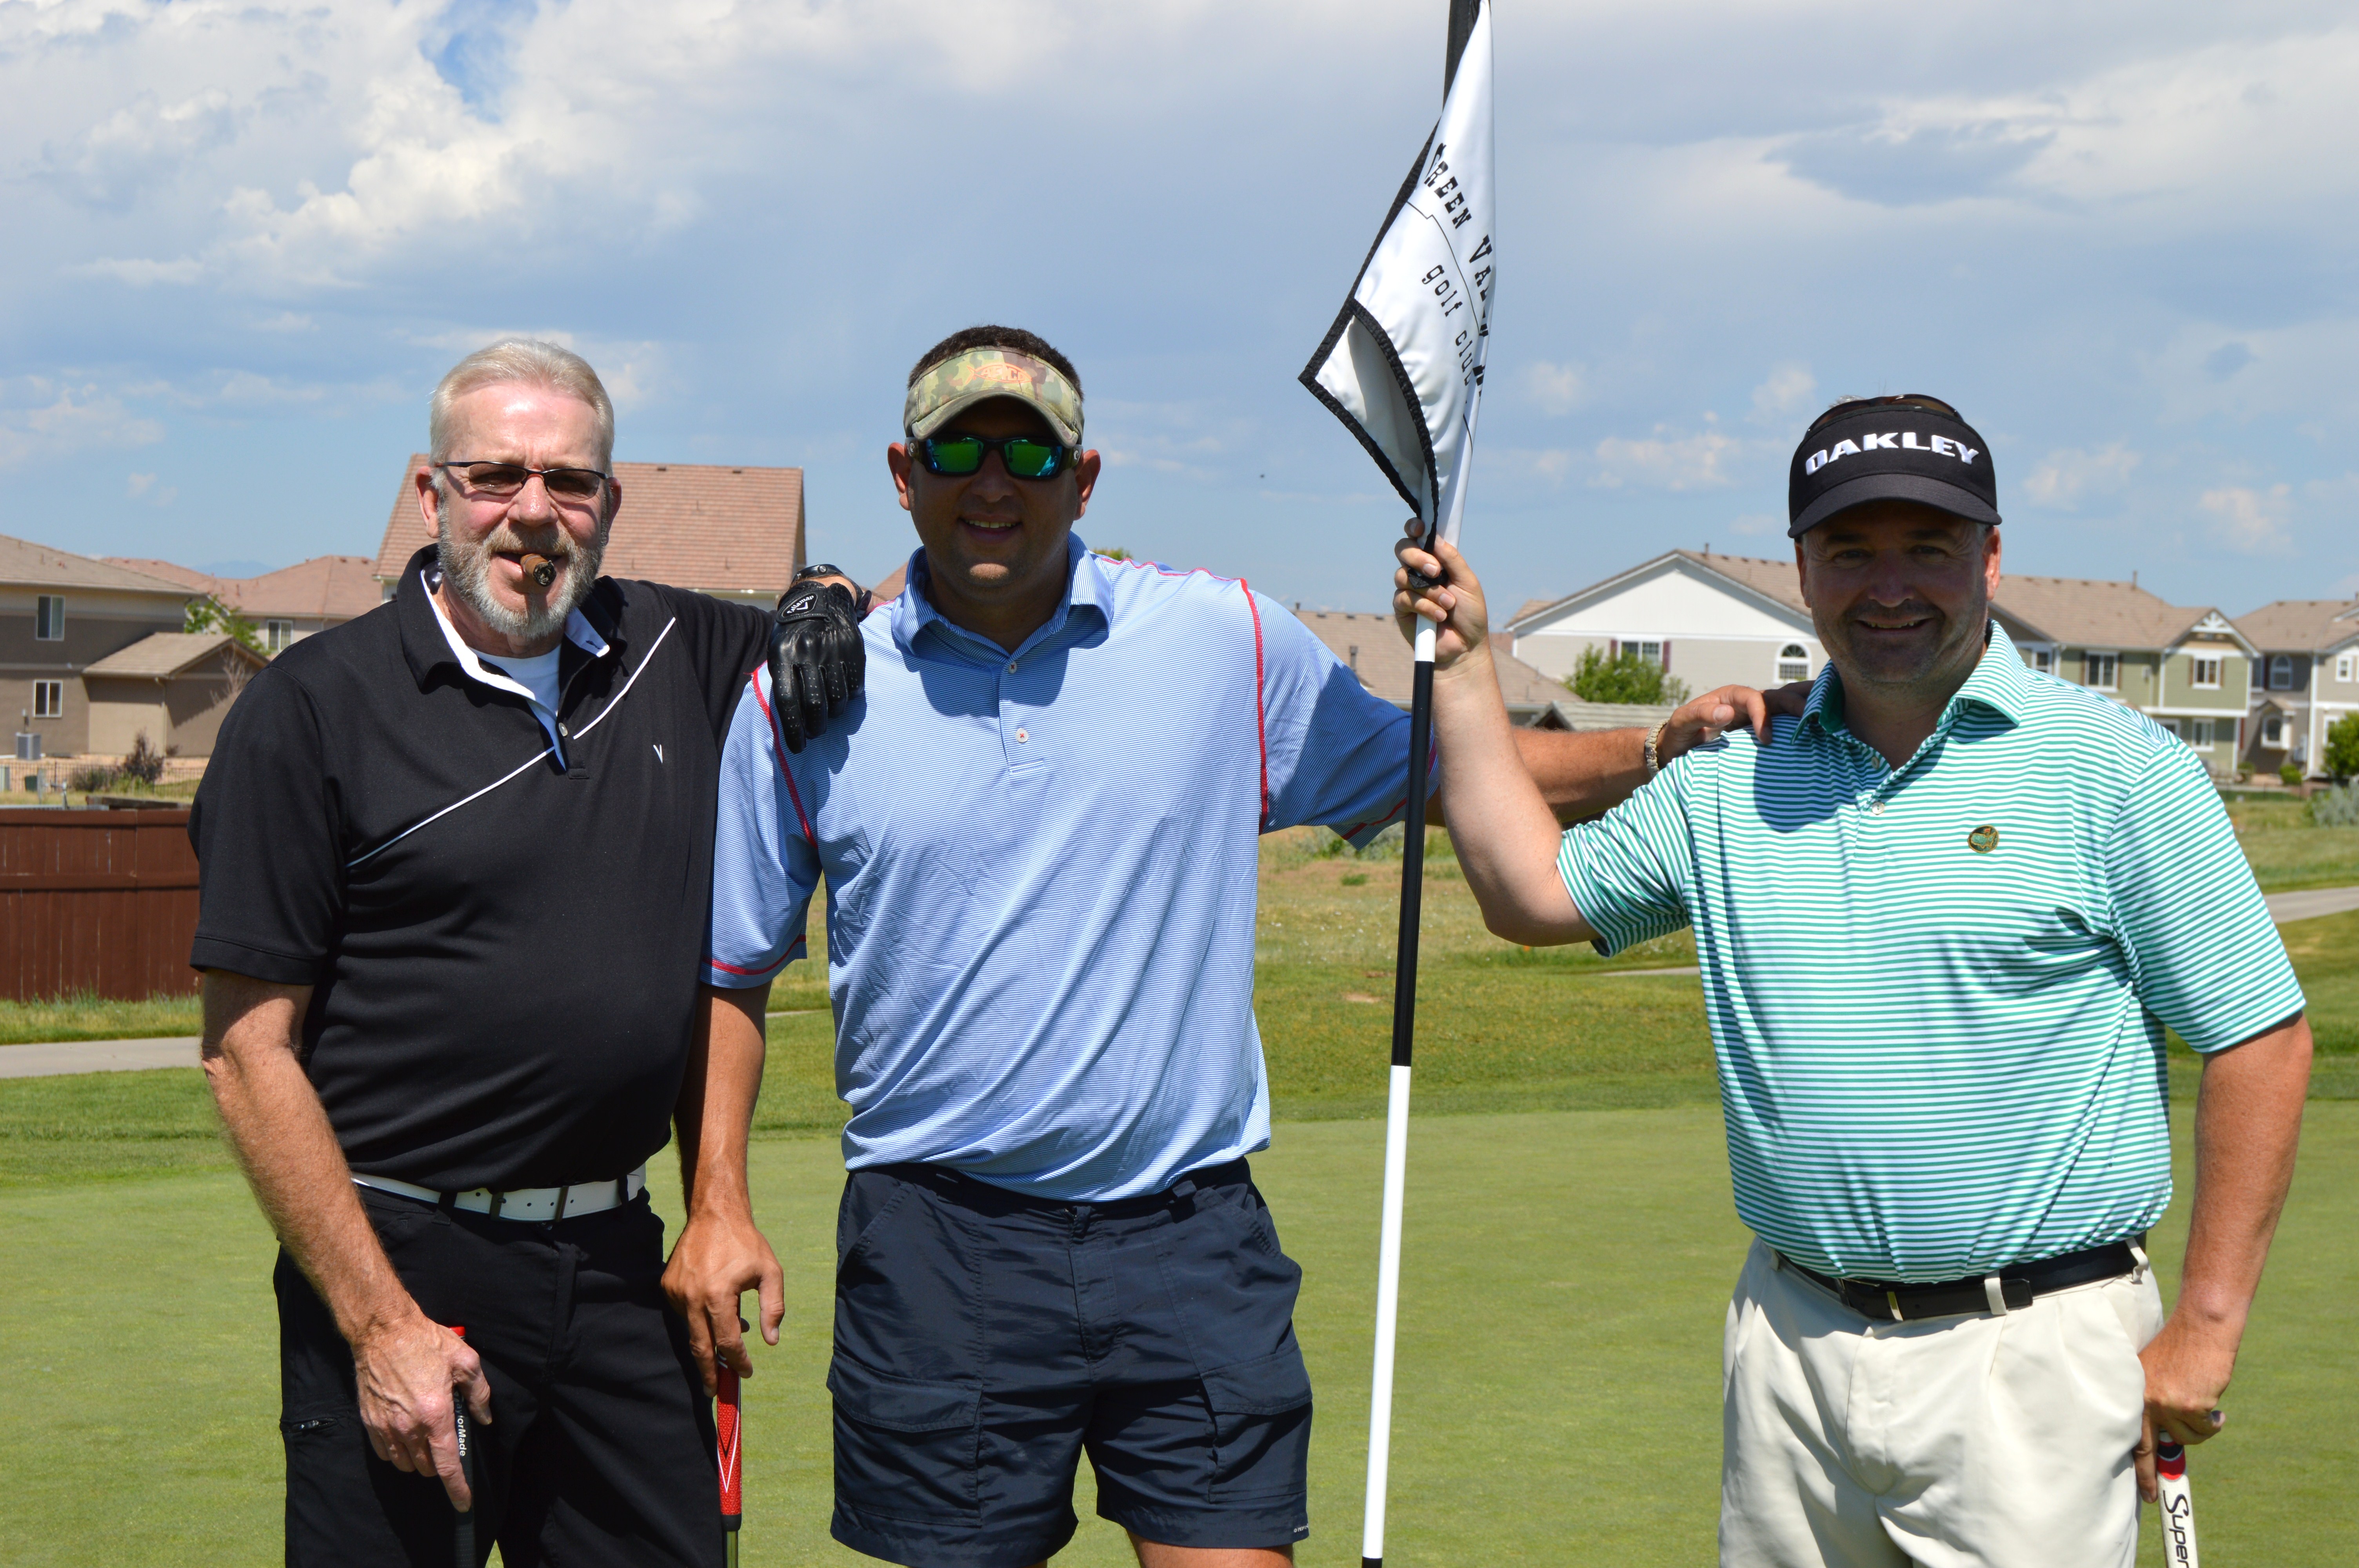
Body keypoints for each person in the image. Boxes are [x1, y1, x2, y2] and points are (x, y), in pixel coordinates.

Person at [696, 324, 1797, 1568]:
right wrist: (718, 1204)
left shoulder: (1223, 642)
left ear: (1086, 477)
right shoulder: (813, 693)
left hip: (1187, 1235)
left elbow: (1440, 772)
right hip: (940, 1243)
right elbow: (735, 970)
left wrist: (1652, 746)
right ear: (904, 474)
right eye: (958, 449)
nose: (993, 482)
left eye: (1030, 453)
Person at [1393, 392, 2313, 1567]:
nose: (1888, 586)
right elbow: (1529, 896)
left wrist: (2208, 1329)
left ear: (1988, 557)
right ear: (1802, 569)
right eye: (1850, 550)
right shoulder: (1734, 775)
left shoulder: (2113, 768)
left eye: (1926, 549)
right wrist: (1466, 665)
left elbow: (2259, 1039)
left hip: (2030, 1355)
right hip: (1792, 1344)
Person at [191, 338, 866, 1566]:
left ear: (611, 505)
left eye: (571, 481)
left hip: (619, 1269)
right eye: (498, 475)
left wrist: (824, 591)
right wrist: (380, 1324)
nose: (534, 513)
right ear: (431, 491)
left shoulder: (676, 652)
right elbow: (246, 1054)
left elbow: (826, 617)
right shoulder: (313, 711)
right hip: (408, 1264)